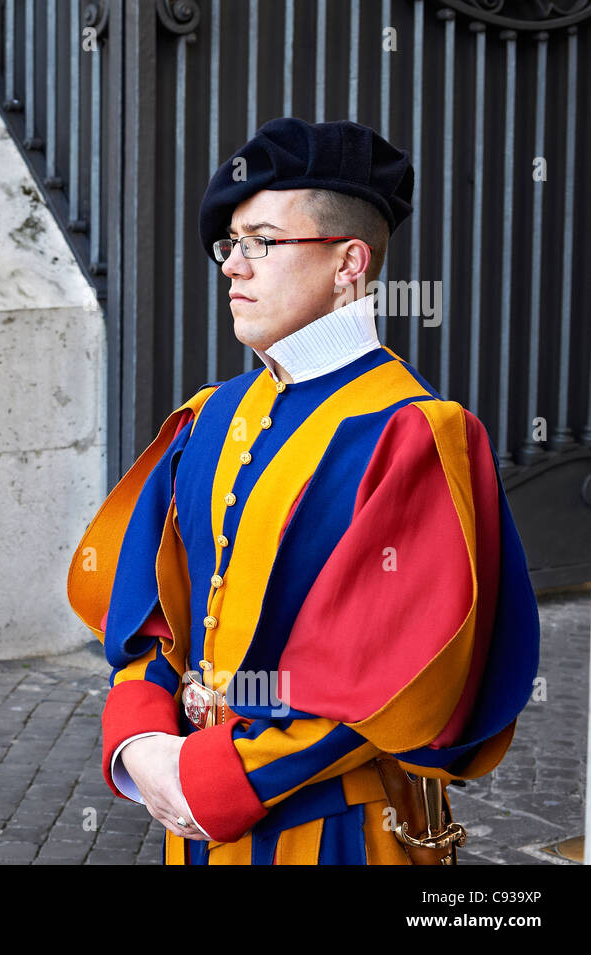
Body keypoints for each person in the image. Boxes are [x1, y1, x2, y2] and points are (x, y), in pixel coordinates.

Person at [66, 117, 541, 864]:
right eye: (230, 243)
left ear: (348, 261)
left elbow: (384, 679)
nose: (232, 265)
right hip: (192, 828)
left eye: (260, 241)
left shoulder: (411, 434)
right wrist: (142, 741)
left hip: (341, 832)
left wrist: (205, 778)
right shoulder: (210, 415)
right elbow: (150, 613)